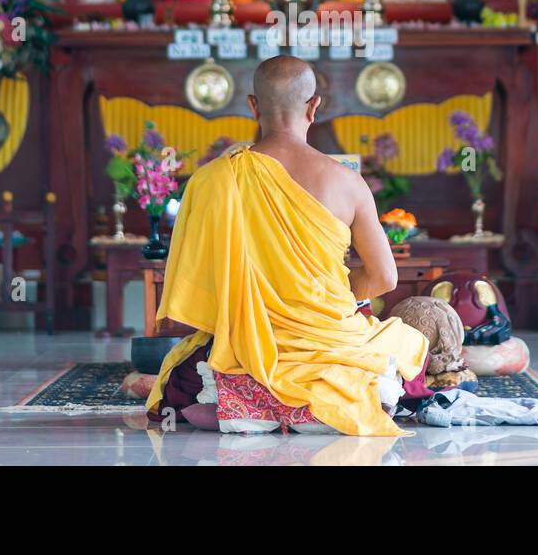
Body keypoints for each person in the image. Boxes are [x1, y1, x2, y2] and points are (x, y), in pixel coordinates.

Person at [145, 55, 428, 436]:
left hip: (245, 345)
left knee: (181, 376)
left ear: (253, 106)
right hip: (329, 339)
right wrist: (324, 298)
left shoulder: (212, 179)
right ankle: (326, 401)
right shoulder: (347, 183)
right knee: (409, 346)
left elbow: (197, 290)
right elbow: (383, 277)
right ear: (314, 107)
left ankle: (247, 402)